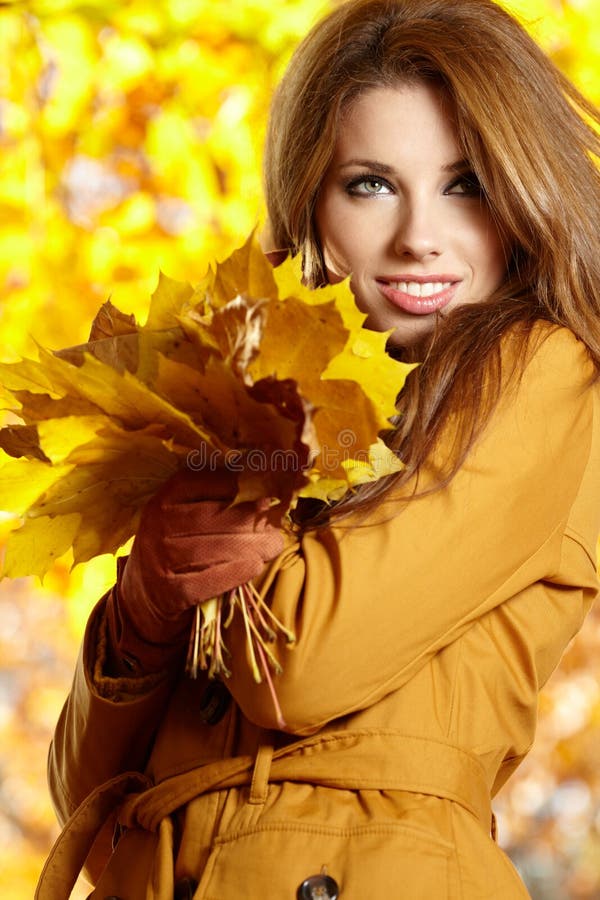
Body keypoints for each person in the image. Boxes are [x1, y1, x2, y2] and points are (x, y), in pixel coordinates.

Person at [38, 0, 600, 897]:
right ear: (310, 202)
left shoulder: (545, 368)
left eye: (465, 185)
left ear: (520, 195)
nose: (419, 233)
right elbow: (88, 793)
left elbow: (297, 670)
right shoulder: (248, 401)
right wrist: (141, 617)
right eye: (370, 183)